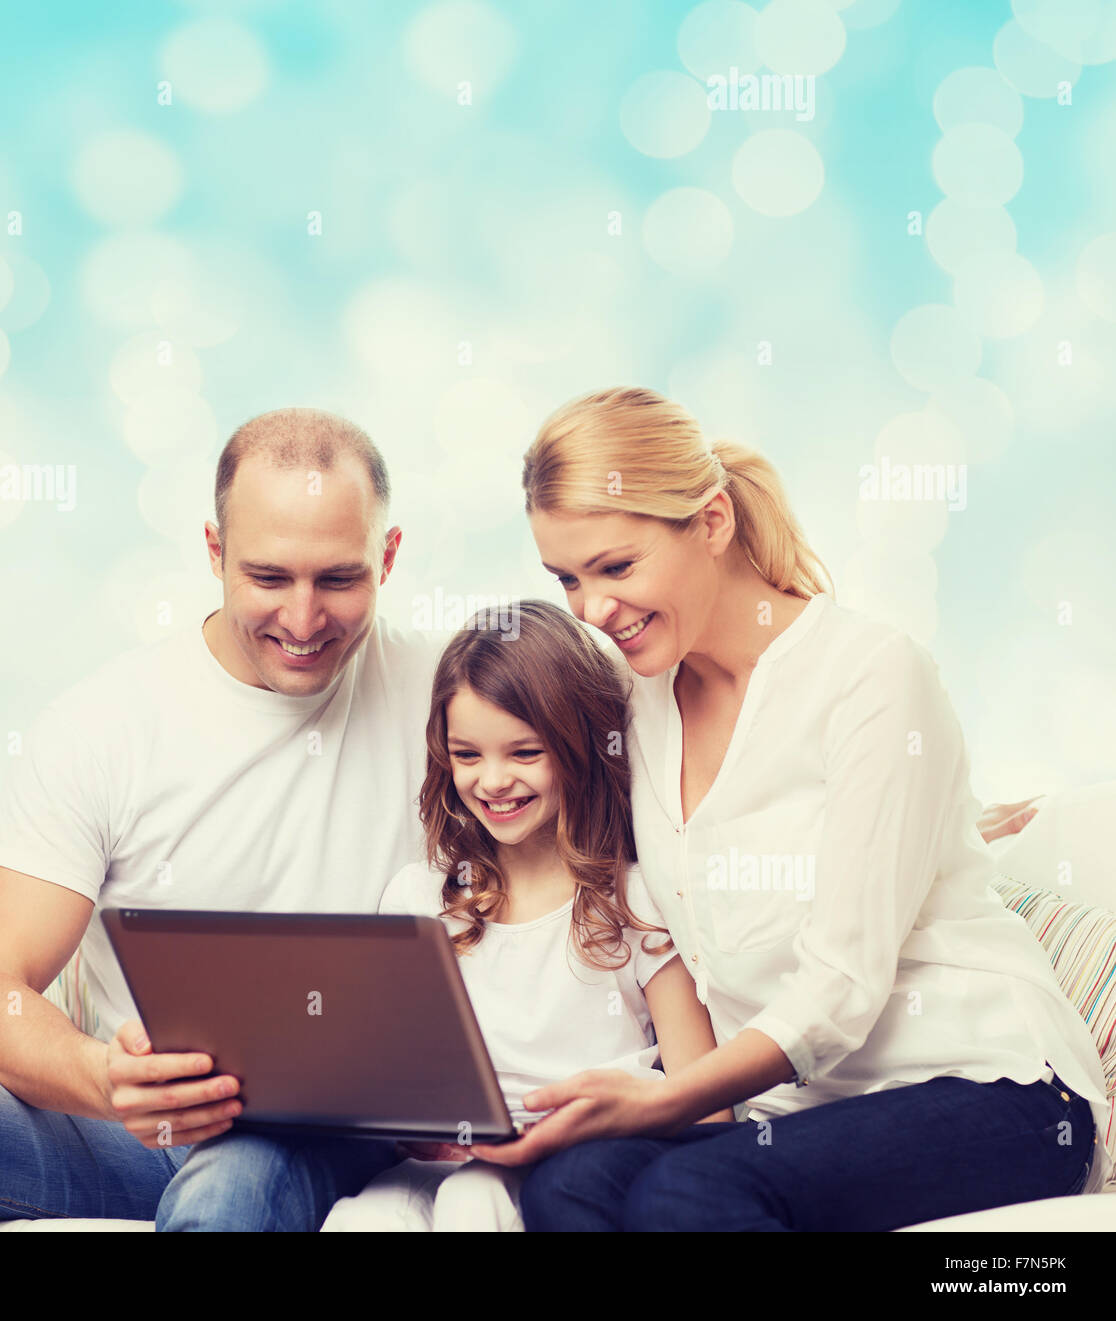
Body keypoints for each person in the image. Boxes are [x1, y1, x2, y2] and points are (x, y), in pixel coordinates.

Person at [466, 385, 1113, 1232]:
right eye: (568, 578)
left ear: (712, 522)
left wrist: (658, 1102)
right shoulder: (636, 701)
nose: (591, 609)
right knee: (570, 1184)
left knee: (687, 1191)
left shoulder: (872, 674)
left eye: (616, 567)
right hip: (799, 1116)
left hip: (991, 1091)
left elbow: (840, 987)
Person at [0, 408, 449, 1232]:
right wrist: (105, 1079)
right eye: (268, 578)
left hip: (332, 1137)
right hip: (135, 1132)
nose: (302, 620)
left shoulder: (457, 705)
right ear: (215, 553)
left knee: (229, 1187)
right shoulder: (107, 723)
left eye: (337, 579)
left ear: (387, 556)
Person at [324, 600, 729, 1231]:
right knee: (363, 1219)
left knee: (474, 1202)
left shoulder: (635, 904)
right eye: (467, 755)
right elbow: (385, 1077)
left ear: (580, 747)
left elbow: (708, 1107)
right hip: (437, 1162)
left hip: (567, 1169)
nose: (492, 780)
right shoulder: (418, 900)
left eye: (524, 752)